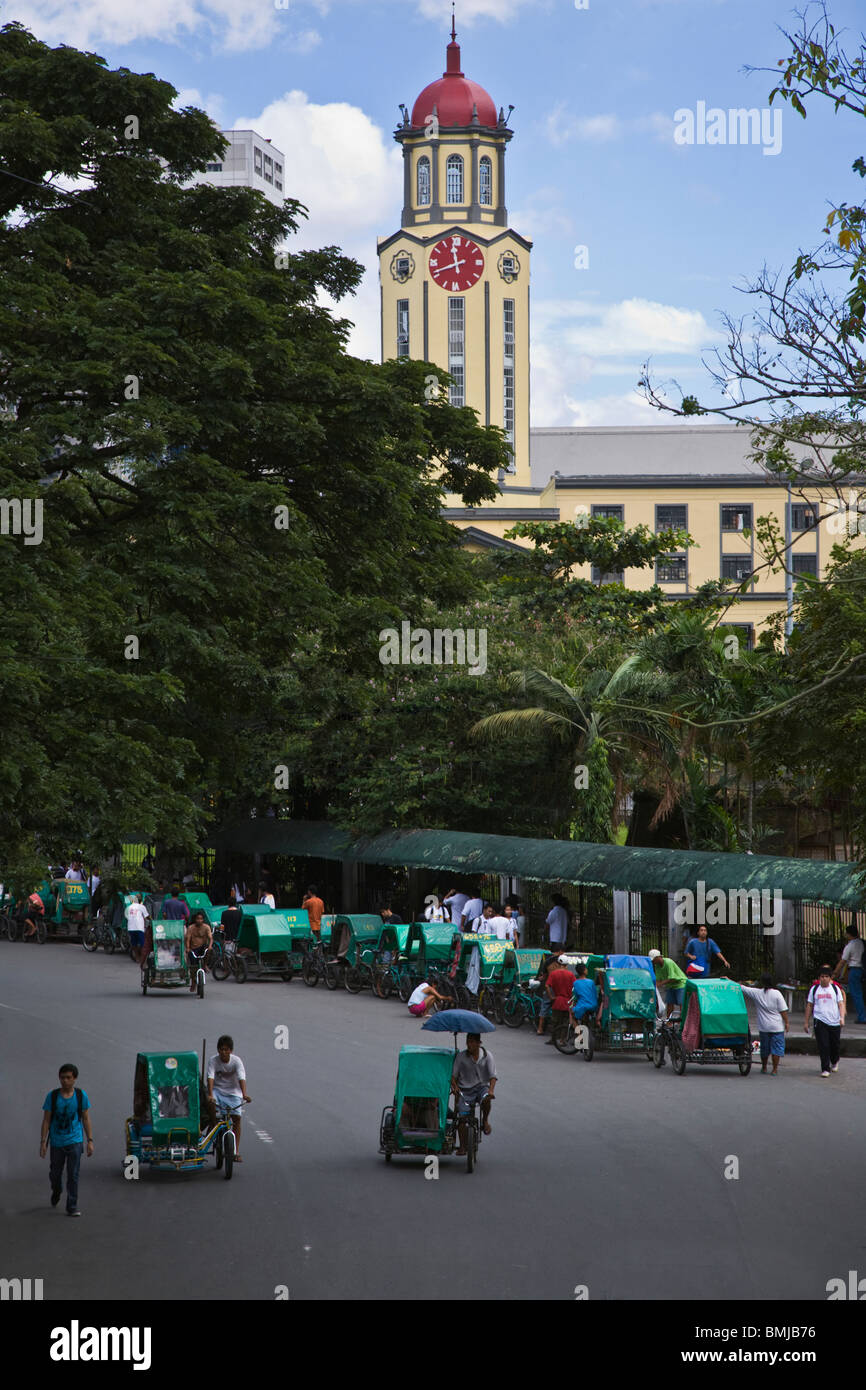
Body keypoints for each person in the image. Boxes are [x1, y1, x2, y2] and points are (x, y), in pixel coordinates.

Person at [40, 1063, 93, 1216]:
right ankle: (57, 1190)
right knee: (55, 1174)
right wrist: (43, 1142)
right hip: (57, 1142)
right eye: (62, 1078)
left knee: (73, 1174)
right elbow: (46, 1120)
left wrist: (90, 1140)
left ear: (74, 1079)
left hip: (75, 1141)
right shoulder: (53, 1096)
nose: (65, 1081)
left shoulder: (81, 1096)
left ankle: (72, 1206)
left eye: (68, 1078)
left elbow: (86, 1118)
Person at [206, 1036, 251, 1161]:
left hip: (233, 1093)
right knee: (210, 1103)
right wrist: (210, 1095)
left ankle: (235, 1152)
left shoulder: (237, 1061)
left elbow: (242, 1078)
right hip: (217, 1091)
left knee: (237, 1119)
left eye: (226, 1050)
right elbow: (210, 1078)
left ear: (231, 1050)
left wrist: (244, 1094)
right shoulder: (213, 1060)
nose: (223, 1052)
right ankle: (214, 1122)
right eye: (221, 1049)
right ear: (218, 1050)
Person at [451, 1033, 497, 1153]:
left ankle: (485, 1120)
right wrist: (455, 1087)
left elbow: (493, 1076)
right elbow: (453, 1076)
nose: (469, 1045)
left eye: (472, 1042)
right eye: (468, 1042)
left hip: (481, 1088)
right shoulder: (461, 1056)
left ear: (479, 1043)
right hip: (465, 1090)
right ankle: (462, 1146)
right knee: (462, 1118)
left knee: (487, 1098)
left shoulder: (487, 1056)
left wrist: (491, 1091)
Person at [740, 975, 789, 1074]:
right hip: (777, 1027)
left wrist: (728, 980)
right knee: (776, 1049)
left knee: (765, 1048)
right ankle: (774, 1070)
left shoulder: (757, 993)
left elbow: (742, 988)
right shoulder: (777, 994)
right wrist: (787, 1022)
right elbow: (783, 1010)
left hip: (764, 1027)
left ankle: (764, 1067)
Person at [805, 965, 846, 1077]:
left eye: (826, 976)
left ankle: (835, 1060)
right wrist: (806, 1022)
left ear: (830, 978)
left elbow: (840, 1004)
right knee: (823, 1045)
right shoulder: (814, 990)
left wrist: (842, 1018)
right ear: (819, 978)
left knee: (834, 1045)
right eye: (822, 977)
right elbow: (809, 1005)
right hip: (820, 1020)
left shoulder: (835, 989)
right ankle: (825, 1068)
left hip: (834, 1021)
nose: (824, 979)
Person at [837, 922, 866, 1024]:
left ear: (849, 934)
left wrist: (835, 973)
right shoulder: (861, 943)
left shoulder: (851, 945)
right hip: (862, 969)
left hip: (854, 969)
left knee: (856, 994)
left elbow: (842, 961)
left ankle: (862, 1016)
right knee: (860, 993)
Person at [545, 955, 577, 1045]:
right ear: (566, 964)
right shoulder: (571, 975)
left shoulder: (553, 974)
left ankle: (553, 1039)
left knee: (555, 1021)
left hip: (557, 1001)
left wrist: (551, 997)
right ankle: (562, 1040)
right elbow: (575, 987)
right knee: (565, 1021)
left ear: (558, 963)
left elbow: (547, 986)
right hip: (568, 1001)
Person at [648, 949, 688, 1017]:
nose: (652, 961)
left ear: (658, 957)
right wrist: (655, 986)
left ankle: (683, 1022)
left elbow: (672, 978)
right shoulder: (657, 965)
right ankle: (669, 1021)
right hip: (670, 985)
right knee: (669, 1003)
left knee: (682, 1003)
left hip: (681, 984)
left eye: (654, 959)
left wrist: (660, 984)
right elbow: (658, 979)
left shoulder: (668, 962)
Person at [184, 910, 213, 991]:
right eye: (197, 919)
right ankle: (193, 982)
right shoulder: (191, 928)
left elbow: (210, 938)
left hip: (202, 947)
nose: (199, 920)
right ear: (195, 919)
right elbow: (188, 939)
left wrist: (210, 946)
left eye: (201, 919)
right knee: (193, 967)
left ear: (203, 919)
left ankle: (205, 964)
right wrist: (187, 948)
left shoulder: (206, 927)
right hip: (193, 949)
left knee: (208, 950)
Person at [536, 953, 561, 1037]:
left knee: (544, 1007)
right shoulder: (563, 964)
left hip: (550, 988)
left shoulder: (548, 962)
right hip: (559, 990)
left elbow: (545, 978)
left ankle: (540, 1028)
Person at [569, 962, 599, 1028]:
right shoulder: (591, 982)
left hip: (582, 1006)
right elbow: (595, 994)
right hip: (593, 1005)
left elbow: (576, 996)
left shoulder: (576, 983)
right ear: (584, 970)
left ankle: (578, 1032)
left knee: (572, 1013)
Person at [125, 893, 149, 964]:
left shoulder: (129, 907)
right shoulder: (141, 907)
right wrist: (152, 919)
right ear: (140, 900)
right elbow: (147, 916)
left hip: (130, 927)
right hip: (139, 927)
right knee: (142, 943)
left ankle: (137, 957)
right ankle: (142, 957)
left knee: (134, 943)